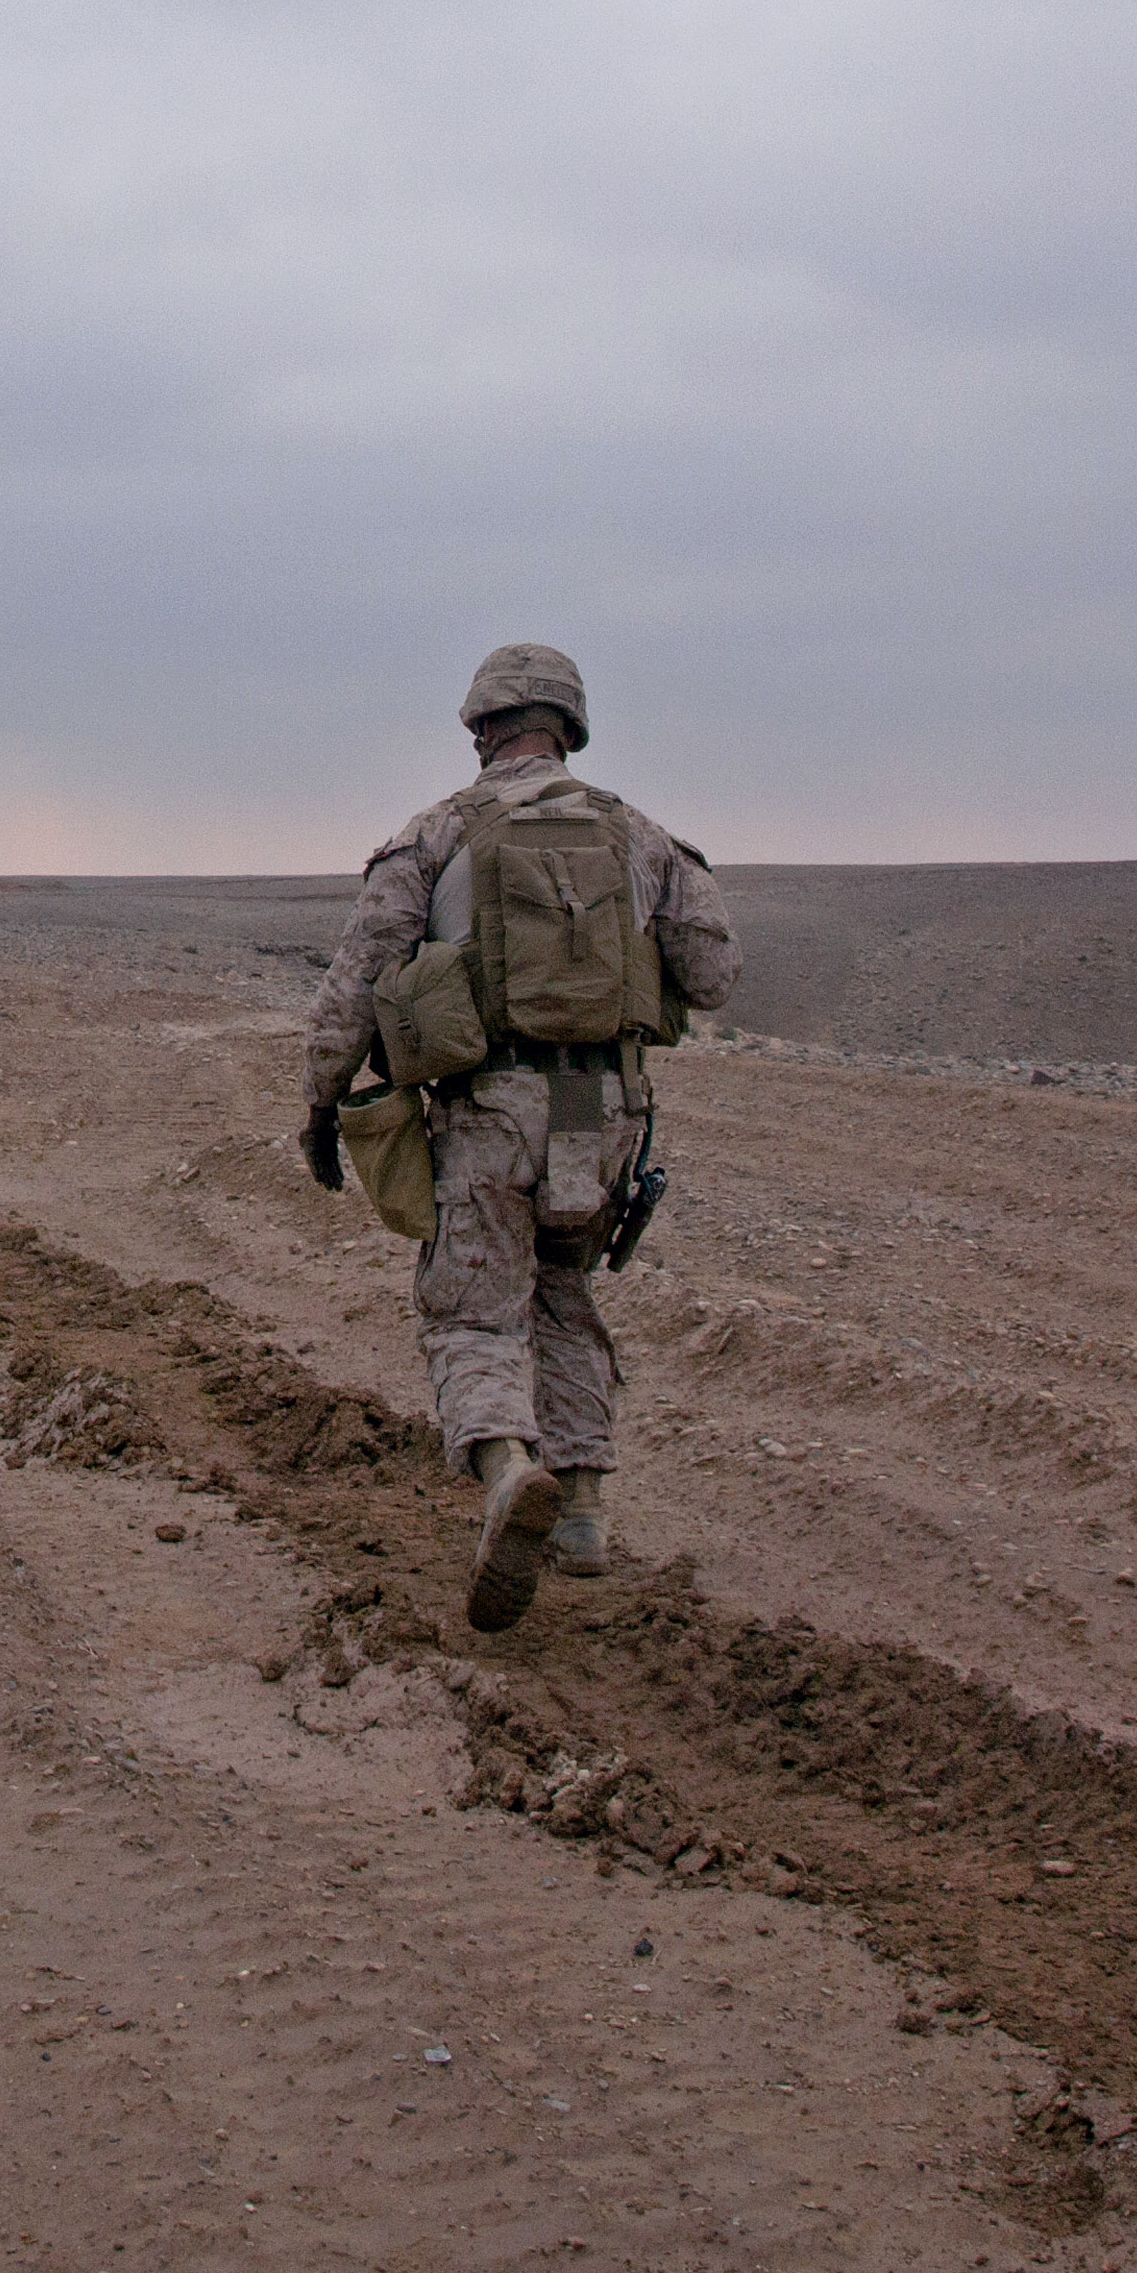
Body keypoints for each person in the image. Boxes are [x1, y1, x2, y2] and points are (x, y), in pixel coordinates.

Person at [299, 643, 735, 1632]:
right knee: (561, 1288)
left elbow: (356, 980)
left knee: (469, 1310)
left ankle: (506, 1472)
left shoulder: (437, 836)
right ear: (567, 730)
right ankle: (579, 1513)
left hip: (488, 1111)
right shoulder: (640, 837)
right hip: (600, 1115)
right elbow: (712, 974)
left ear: (480, 730)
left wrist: (321, 1103)